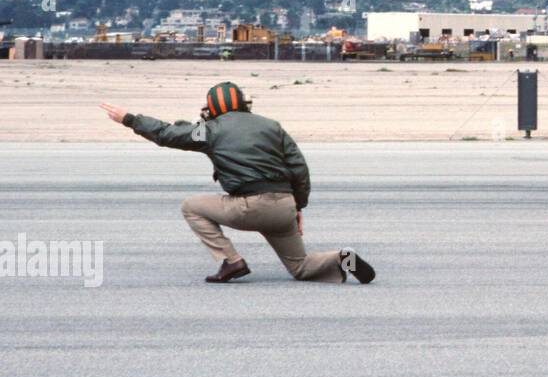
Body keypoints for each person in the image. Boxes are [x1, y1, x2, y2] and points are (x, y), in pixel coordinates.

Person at [99, 82, 375, 285]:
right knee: (300, 267)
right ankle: (343, 257)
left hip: (248, 206)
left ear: (213, 107)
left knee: (191, 206)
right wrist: (298, 207)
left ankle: (232, 261)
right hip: (283, 207)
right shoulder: (271, 126)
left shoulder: (210, 130)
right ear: (243, 103)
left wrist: (130, 119)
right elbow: (299, 169)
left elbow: (168, 133)